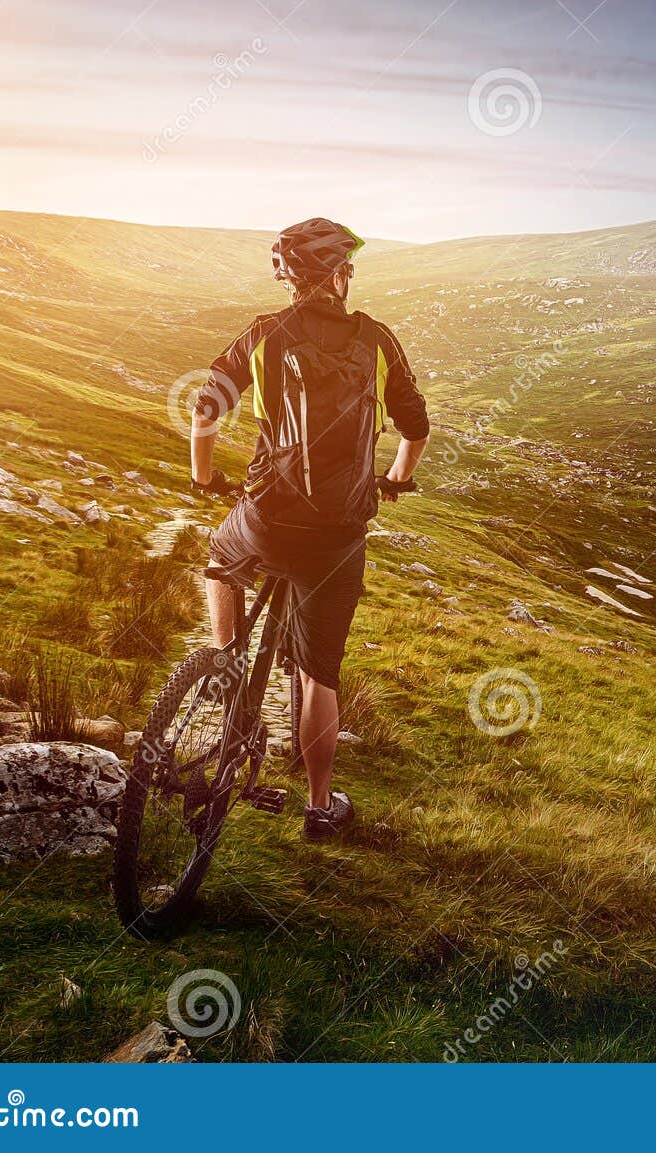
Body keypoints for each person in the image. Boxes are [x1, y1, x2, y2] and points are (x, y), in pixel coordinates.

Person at [189, 217, 428, 841]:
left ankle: (225, 664)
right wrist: (396, 481)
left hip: (268, 516)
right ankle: (319, 806)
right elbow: (415, 427)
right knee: (319, 671)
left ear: (288, 278)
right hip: (337, 535)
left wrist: (204, 476)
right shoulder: (377, 341)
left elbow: (207, 405)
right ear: (341, 275)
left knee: (220, 554)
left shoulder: (266, 334)